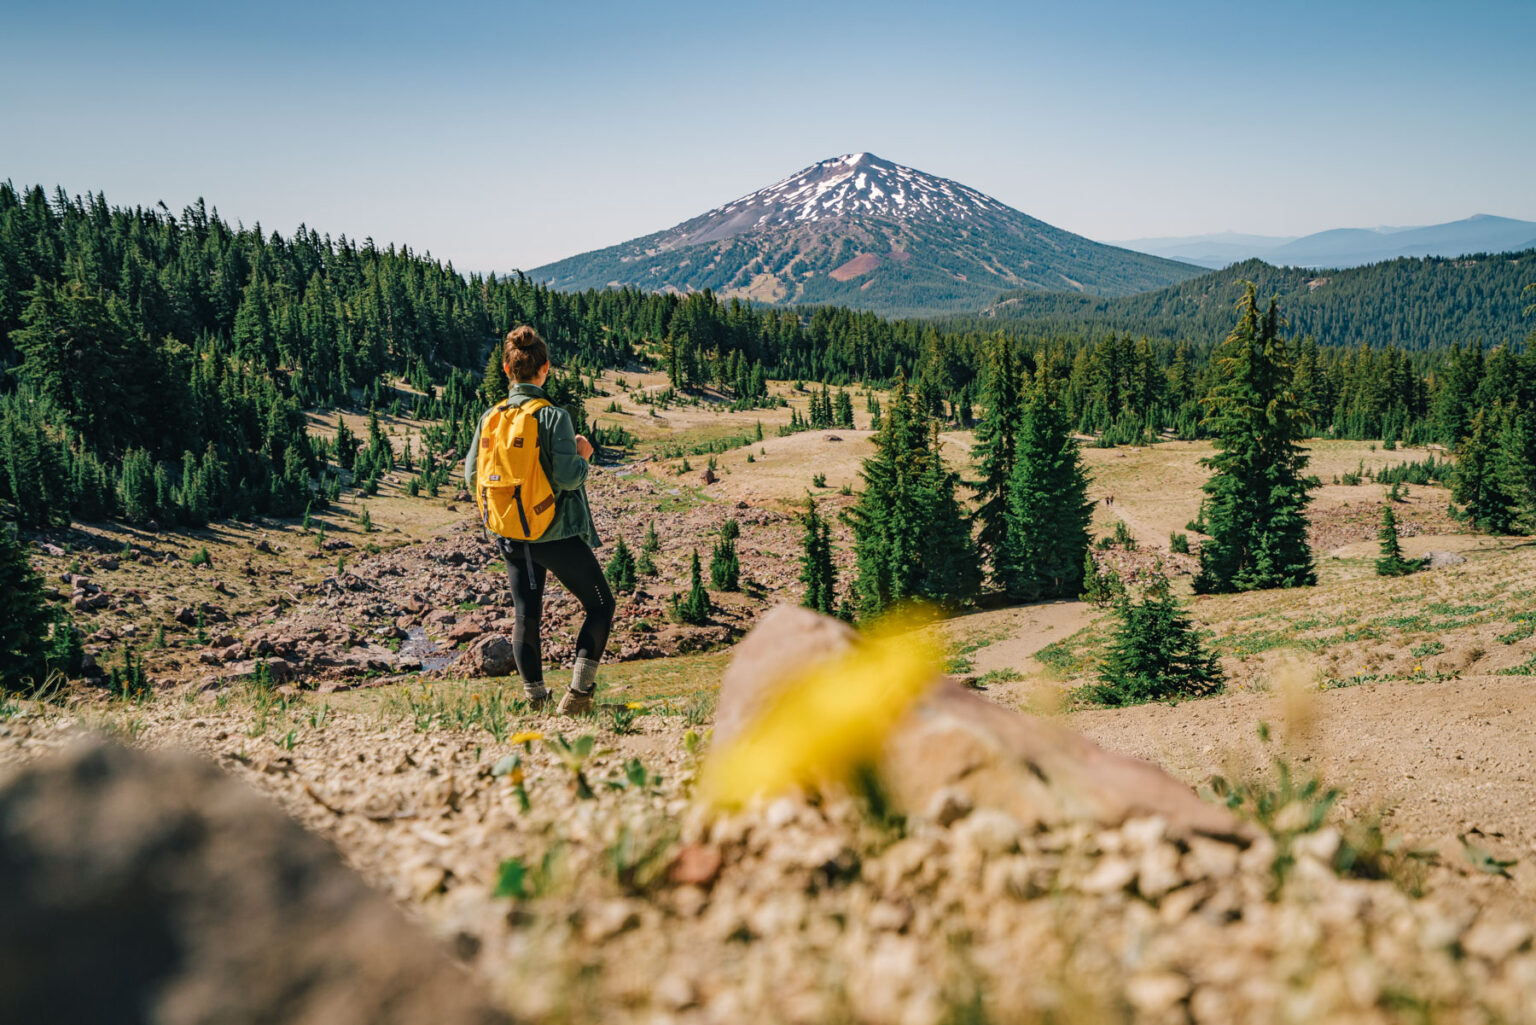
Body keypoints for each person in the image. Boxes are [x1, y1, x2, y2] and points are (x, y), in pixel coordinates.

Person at [465, 326, 613, 715]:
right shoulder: (553, 417)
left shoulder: (490, 417)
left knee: (526, 614)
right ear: (544, 368)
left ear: (506, 368)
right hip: (556, 533)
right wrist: (583, 456)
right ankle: (578, 696)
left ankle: (536, 700)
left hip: (510, 534)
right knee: (600, 606)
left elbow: (470, 478)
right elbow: (566, 478)